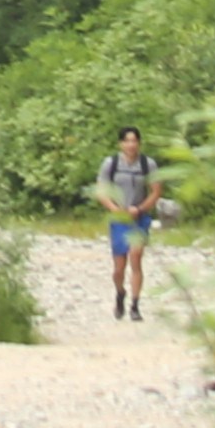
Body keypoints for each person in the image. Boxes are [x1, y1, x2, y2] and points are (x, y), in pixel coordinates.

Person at [95, 129, 162, 320]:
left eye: (134, 141)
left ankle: (135, 305)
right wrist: (114, 209)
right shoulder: (111, 164)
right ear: (121, 144)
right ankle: (120, 293)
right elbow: (101, 191)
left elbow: (156, 192)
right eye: (127, 141)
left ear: (139, 143)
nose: (131, 145)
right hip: (119, 219)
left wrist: (140, 209)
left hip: (139, 218)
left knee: (136, 257)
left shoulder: (148, 165)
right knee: (119, 268)